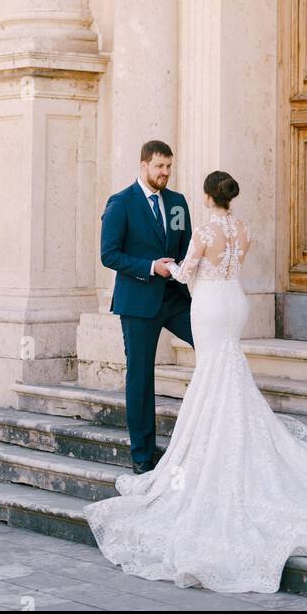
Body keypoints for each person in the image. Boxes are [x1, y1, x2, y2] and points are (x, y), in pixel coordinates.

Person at [85, 168, 307, 594]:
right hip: (234, 301)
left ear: (209, 196)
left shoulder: (206, 230)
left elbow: (188, 273)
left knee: (213, 372)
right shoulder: (242, 228)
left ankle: (209, 449)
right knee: (228, 370)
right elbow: (230, 264)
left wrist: (168, 268)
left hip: (209, 305)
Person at [99, 141, 194, 473]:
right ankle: (142, 456)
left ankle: (208, 435)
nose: (165, 173)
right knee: (140, 378)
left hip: (174, 299)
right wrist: (152, 266)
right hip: (138, 303)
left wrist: (182, 267)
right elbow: (109, 255)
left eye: (169, 167)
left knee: (213, 346)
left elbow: (186, 247)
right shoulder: (121, 203)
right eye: (159, 167)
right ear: (143, 166)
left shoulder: (179, 203)